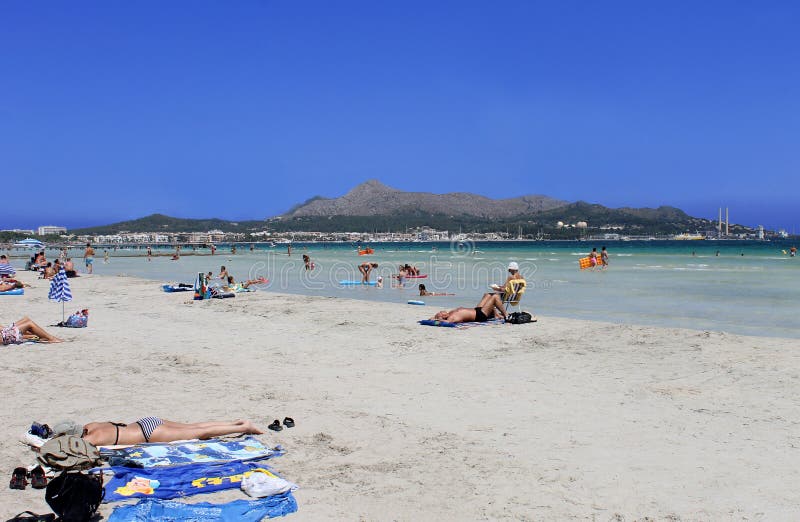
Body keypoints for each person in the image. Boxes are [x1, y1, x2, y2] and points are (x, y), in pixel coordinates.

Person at [79, 418, 263, 446]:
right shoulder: (92, 425)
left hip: (150, 435)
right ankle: (236, 422)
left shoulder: (92, 439)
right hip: (146, 422)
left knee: (200, 433)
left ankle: (243, 427)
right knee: (194, 427)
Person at [431, 293, 508, 324]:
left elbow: (431, 318)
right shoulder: (452, 317)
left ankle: (496, 315)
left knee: (487, 295)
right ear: (443, 316)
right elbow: (448, 322)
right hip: (480, 315)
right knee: (495, 297)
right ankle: (507, 316)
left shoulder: (450, 312)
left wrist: (434, 318)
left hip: (476, 310)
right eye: (441, 312)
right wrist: (439, 320)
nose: (442, 311)